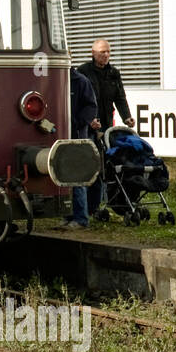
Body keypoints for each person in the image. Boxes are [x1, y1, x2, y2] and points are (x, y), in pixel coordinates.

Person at [77, 39, 134, 218]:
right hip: (88, 127)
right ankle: (90, 207)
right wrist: (88, 120)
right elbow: (78, 101)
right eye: (102, 52)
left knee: (106, 167)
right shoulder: (83, 72)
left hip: (107, 126)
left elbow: (120, 98)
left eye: (108, 52)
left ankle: (105, 204)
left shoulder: (114, 73)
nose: (106, 55)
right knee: (91, 166)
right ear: (93, 53)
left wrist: (127, 117)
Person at [55, 66, 98, 231]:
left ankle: (81, 218)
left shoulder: (80, 81)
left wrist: (77, 123)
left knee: (77, 177)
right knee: (63, 175)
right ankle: (68, 215)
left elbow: (91, 106)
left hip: (76, 135)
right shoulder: (57, 79)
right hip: (61, 135)